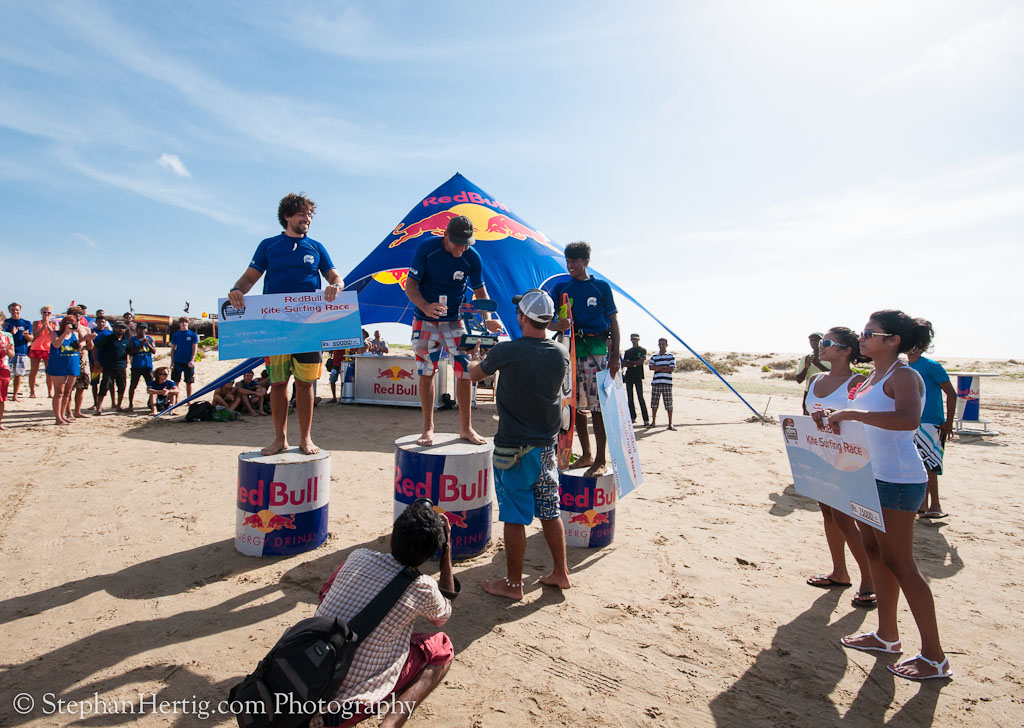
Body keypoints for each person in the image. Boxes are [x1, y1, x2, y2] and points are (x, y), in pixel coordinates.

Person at [817, 310, 950, 681]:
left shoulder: (904, 375)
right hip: (869, 476)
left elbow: (908, 419)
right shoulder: (872, 376)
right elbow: (864, 419)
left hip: (898, 480)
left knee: (901, 563)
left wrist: (851, 414)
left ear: (893, 340)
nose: (862, 338)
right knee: (874, 551)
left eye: (869, 333)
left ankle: (934, 656)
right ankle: (886, 635)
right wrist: (836, 416)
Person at [314, 499, 457, 727]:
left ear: (391, 538)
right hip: (342, 708)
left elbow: (326, 594)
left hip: (306, 675)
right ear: (431, 552)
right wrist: (446, 550)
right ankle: (390, 724)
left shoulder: (358, 556)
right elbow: (443, 615)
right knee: (442, 647)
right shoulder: (423, 588)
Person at [469, 289, 571, 599]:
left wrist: (475, 353)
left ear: (523, 317)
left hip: (513, 449)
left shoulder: (507, 351)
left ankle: (513, 585)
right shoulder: (560, 353)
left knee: (514, 517)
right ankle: (561, 573)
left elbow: (474, 374)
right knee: (550, 511)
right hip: (546, 448)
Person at [228, 193, 345, 455]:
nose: (307, 219)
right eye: (302, 214)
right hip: (275, 326)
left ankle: (305, 438)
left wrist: (336, 286)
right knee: (279, 382)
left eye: (310, 215)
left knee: (305, 383)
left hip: (309, 326)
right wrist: (236, 290)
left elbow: (335, 276)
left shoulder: (316, 247)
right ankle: (280, 439)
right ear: (287, 216)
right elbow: (249, 278)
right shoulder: (269, 245)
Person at [404, 215, 501, 446]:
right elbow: (410, 286)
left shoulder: (472, 256)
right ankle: (428, 428)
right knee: (427, 371)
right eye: (457, 243)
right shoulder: (427, 249)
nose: (461, 248)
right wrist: (425, 306)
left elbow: (480, 293)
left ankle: (466, 428)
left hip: (456, 320)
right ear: (445, 235)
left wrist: (487, 319)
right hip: (425, 319)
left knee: (465, 371)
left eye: (466, 243)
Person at [803, 327, 874, 608]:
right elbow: (807, 416)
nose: (821, 346)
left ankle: (869, 580)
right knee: (828, 514)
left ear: (846, 350)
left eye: (828, 342)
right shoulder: (816, 379)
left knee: (846, 519)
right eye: (822, 342)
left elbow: (868, 419)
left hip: (850, 459)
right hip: (820, 456)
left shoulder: (860, 382)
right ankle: (839, 572)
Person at [549, 241, 620, 477]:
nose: (570, 265)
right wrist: (555, 325)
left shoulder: (601, 287)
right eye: (568, 261)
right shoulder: (561, 288)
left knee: (597, 408)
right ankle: (586, 454)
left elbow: (614, 321)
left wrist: (615, 356)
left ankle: (601, 459)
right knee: (574, 406)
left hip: (596, 350)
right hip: (569, 351)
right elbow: (547, 320)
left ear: (586, 261)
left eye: (575, 261)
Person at [907, 321, 957, 520]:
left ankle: (934, 505)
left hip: (931, 422)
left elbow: (951, 394)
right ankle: (923, 504)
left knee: (930, 465)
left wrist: (948, 422)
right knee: (919, 463)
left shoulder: (930, 366)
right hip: (913, 421)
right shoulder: (906, 367)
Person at [46, 315, 90, 425]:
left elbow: (77, 347)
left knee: (67, 392)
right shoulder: (55, 333)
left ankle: (63, 415)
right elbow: (56, 344)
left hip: (72, 364)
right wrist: (65, 332)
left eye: (73, 323)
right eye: (68, 323)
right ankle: (58, 418)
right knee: (59, 393)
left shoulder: (75, 334)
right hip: (58, 365)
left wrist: (85, 339)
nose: (71, 325)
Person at [95, 322, 131, 414]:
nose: (121, 329)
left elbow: (128, 351)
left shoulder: (126, 340)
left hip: (121, 367)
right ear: (114, 328)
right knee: (104, 387)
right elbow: (96, 347)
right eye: (119, 327)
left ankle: (119, 406)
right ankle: (99, 408)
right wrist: (96, 361)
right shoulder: (107, 338)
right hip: (108, 367)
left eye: (123, 328)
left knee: (122, 386)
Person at [3, 302, 34, 402]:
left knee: (18, 374)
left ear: (20, 310)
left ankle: (15, 395)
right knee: (5, 374)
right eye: (13, 310)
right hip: (7, 351)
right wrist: (11, 333)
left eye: (17, 310)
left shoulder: (26, 323)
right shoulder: (6, 322)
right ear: (9, 311)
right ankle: (4, 393)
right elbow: (2, 335)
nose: (15, 312)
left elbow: (31, 338)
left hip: (21, 351)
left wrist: (27, 335)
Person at [796, 332, 830, 415]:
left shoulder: (829, 357)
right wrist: (806, 368)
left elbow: (833, 375)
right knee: (807, 417)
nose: (814, 343)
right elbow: (799, 380)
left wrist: (817, 364)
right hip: (809, 392)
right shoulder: (806, 358)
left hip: (827, 392)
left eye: (817, 340)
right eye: (811, 340)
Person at [647, 338, 676, 430]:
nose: (661, 346)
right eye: (660, 344)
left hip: (667, 383)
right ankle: (653, 422)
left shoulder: (671, 356)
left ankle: (670, 424)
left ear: (666, 345)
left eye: (663, 344)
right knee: (654, 403)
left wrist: (658, 368)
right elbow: (651, 367)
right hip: (656, 382)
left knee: (668, 404)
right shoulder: (654, 356)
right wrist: (663, 367)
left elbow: (671, 368)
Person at [621, 333, 649, 427]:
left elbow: (641, 362)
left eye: (636, 339)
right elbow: (624, 363)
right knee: (630, 398)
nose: (634, 340)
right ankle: (632, 417)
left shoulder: (642, 350)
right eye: (633, 339)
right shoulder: (628, 352)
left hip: (638, 376)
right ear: (631, 340)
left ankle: (646, 419)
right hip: (629, 376)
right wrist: (634, 364)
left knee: (640, 397)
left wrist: (631, 363)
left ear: (638, 339)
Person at [29, 305, 57, 398]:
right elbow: (35, 335)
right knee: (33, 371)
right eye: (44, 312)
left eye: (48, 313)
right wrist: (42, 328)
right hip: (36, 347)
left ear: (51, 314)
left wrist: (48, 326)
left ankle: (50, 392)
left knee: (49, 371)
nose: (46, 314)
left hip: (48, 348)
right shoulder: (36, 323)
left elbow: (55, 335)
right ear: (41, 313)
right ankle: (32, 391)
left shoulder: (54, 323)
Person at [127, 323, 156, 410]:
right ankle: (130, 404)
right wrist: (141, 344)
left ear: (146, 330)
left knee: (151, 385)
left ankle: (151, 403)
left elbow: (154, 351)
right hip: (136, 366)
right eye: (140, 328)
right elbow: (131, 352)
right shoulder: (132, 339)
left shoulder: (150, 339)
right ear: (137, 330)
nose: (142, 330)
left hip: (147, 366)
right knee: (133, 385)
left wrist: (148, 344)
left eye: (144, 328)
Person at [170, 317, 199, 399]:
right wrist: (172, 362)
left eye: (185, 322)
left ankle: (188, 399)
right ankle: (176, 400)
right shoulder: (176, 335)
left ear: (188, 323)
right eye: (182, 322)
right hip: (177, 361)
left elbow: (195, 348)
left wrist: (192, 360)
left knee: (189, 382)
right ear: (179, 324)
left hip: (188, 361)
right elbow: (173, 349)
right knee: (176, 381)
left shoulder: (193, 334)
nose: (184, 323)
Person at [0, 317, 13, 430]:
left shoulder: (7, 336)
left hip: (3, 368)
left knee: (2, 398)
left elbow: (12, 354)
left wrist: (8, 349)